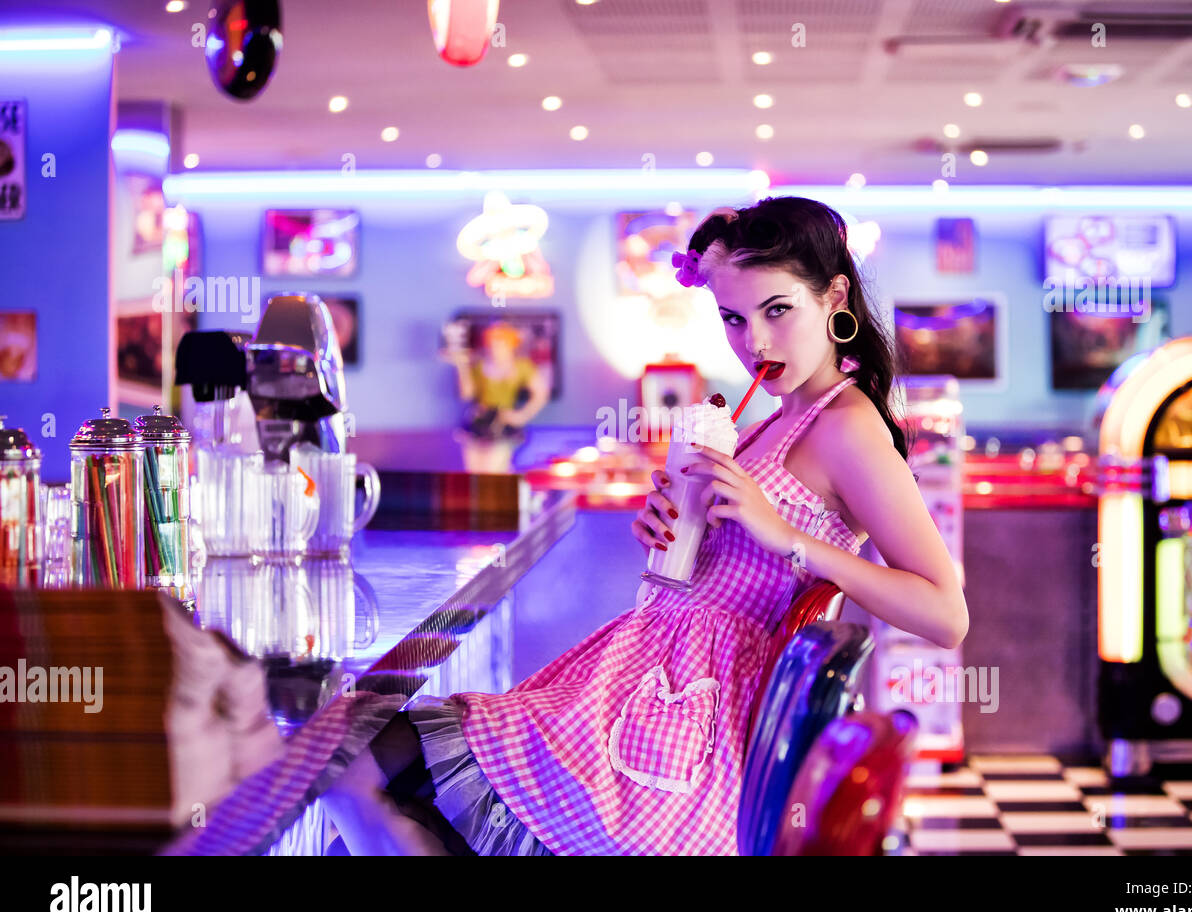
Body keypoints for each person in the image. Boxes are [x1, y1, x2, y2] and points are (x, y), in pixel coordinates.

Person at [323, 196, 970, 855]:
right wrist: (675, 525)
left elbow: (945, 615)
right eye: (734, 319)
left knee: (351, 762)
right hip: (634, 691)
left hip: (684, 738)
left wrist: (788, 538)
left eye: (778, 311)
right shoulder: (781, 416)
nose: (756, 343)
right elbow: (723, 561)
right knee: (355, 767)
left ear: (835, 297)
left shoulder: (847, 424)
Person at [442, 320, 549, 473]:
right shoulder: (480, 365)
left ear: (510, 345)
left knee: (494, 469)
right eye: (491, 343)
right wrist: (462, 366)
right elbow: (467, 394)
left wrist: (522, 415)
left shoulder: (521, 366)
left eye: (499, 343)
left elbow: (541, 393)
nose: (494, 348)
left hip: (502, 422)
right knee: (473, 471)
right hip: (479, 420)